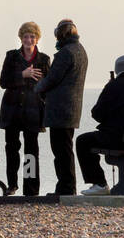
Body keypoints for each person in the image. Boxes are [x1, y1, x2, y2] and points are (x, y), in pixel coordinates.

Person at [76, 54, 124, 195]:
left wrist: (108, 87)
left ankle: (99, 183)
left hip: (118, 140)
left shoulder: (113, 85)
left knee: (82, 141)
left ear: (117, 70)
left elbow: (97, 114)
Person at [34, 19, 88, 196]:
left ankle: (66, 187)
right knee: (65, 149)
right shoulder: (81, 51)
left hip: (60, 109)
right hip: (72, 108)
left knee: (61, 151)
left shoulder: (65, 53)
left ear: (61, 34)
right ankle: (67, 186)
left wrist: (37, 87)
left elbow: (52, 79)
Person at [0, 21, 51, 196]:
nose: (29, 40)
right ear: (21, 38)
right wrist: (22, 75)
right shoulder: (11, 56)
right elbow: (3, 81)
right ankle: (12, 185)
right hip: (11, 111)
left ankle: (31, 189)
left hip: (33, 111)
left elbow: (48, 86)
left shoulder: (43, 59)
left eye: (32, 36)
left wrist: (41, 83)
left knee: (31, 151)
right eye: (26, 36)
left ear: (37, 39)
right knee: (11, 149)